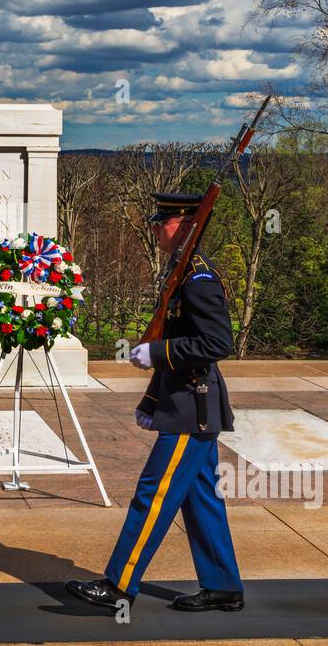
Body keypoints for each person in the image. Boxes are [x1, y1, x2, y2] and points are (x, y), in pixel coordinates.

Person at [65, 191, 245, 613]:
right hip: (185, 403)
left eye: (161, 222)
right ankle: (223, 585)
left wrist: (159, 353)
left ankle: (119, 585)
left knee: (154, 496)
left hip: (191, 409)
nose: (154, 227)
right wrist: (152, 399)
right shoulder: (182, 272)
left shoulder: (199, 280)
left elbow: (218, 343)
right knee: (200, 497)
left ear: (184, 226)